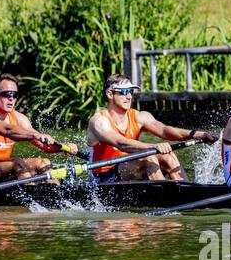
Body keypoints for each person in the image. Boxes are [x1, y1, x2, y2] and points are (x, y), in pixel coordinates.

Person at [85, 75, 218, 183]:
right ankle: (164, 196)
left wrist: (196, 134)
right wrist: (153, 147)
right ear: (110, 94)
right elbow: (121, 143)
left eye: (131, 92)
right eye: (124, 92)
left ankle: (186, 187)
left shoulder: (139, 116)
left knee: (167, 155)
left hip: (131, 168)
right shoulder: (99, 121)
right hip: (103, 178)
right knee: (150, 158)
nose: (129, 97)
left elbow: (165, 131)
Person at [0, 74, 78, 185]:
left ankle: (56, 197)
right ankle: (29, 200)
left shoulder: (19, 118)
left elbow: (44, 145)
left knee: (43, 163)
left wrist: (64, 147)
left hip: (5, 170)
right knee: (18, 164)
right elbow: (9, 130)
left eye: (14, 95)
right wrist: (35, 135)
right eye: (6, 94)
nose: (11, 98)